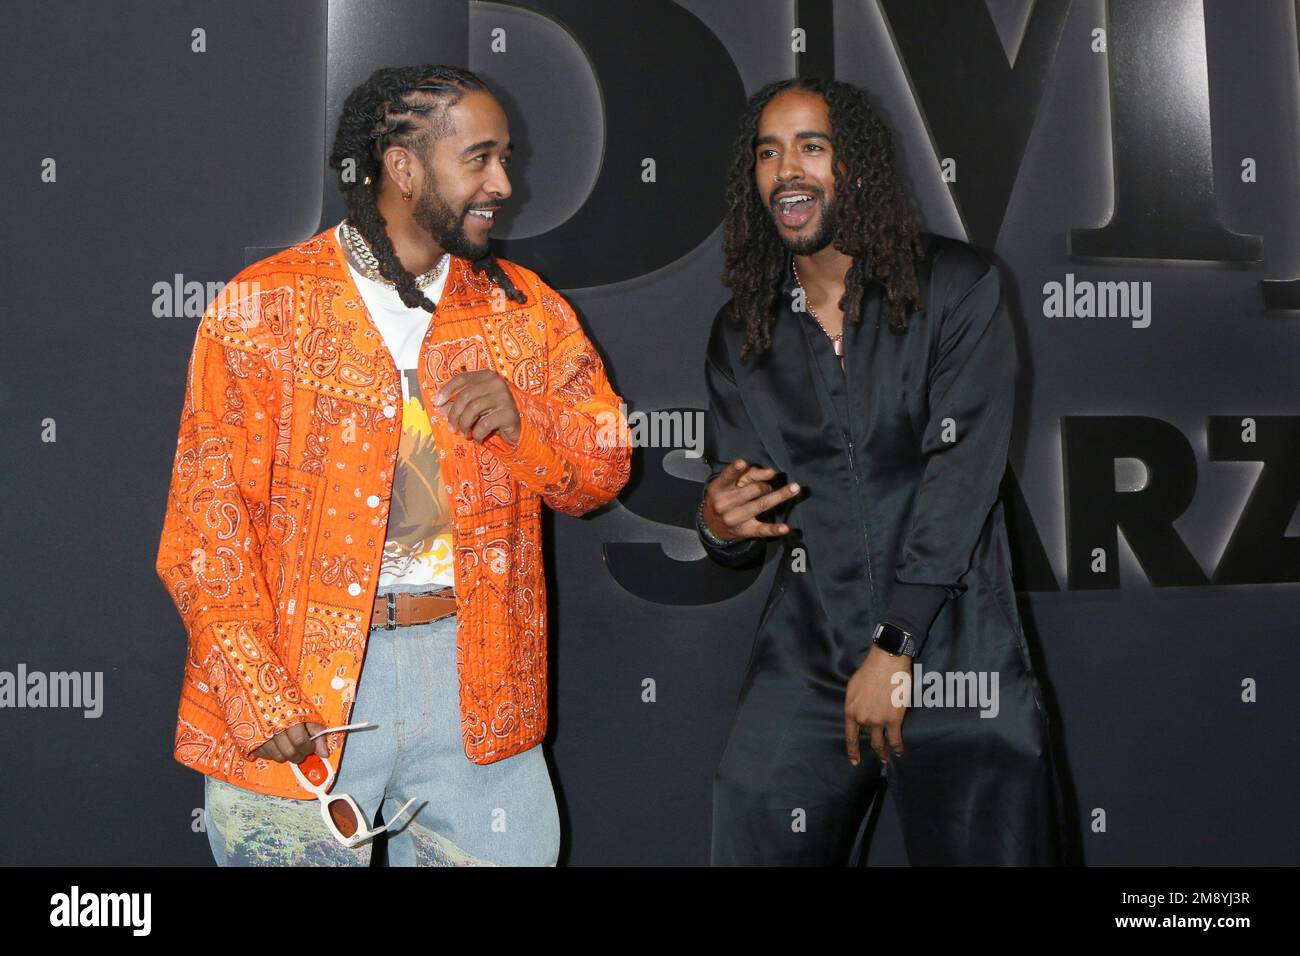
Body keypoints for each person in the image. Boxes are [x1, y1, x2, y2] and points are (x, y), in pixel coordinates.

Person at [155, 64, 630, 866]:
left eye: (504, 158)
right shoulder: (262, 307)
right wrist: (252, 687)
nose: (504, 184)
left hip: (478, 684)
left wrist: (525, 424)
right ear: (403, 168)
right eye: (478, 158)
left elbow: (603, 472)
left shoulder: (526, 311)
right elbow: (208, 524)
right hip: (304, 686)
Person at [698, 77, 1064, 865]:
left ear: (854, 168)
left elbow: (961, 476)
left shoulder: (956, 286)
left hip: (956, 656)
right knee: (752, 812)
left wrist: (896, 647)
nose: (786, 169)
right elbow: (748, 510)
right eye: (768, 152)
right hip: (810, 660)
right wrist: (718, 525)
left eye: (811, 147)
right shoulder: (742, 333)